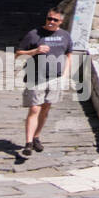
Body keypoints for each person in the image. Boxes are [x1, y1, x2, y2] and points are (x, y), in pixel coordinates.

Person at [15, 9, 73, 158]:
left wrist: (66, 74)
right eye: (49, 18)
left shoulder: (65, 36)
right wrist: (35, 50)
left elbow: (69, 54)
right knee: (34, 109)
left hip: (55, 78)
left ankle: (36, 137)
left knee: (45, 109)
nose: (51, 22)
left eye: (55, 20)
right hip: (36, 77)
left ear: (61, 22)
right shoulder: (34, 34)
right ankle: (28, 144)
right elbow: (18, 53)